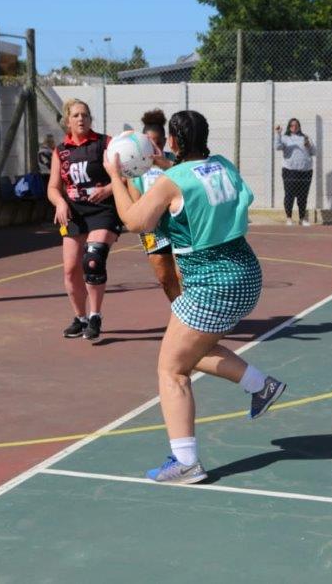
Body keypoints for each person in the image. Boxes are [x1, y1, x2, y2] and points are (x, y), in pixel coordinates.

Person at [104, 110, 287, 483]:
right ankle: (261, 386)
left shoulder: (171, 182)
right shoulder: (222, 165)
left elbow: (135, 221)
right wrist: (162, 160)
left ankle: (185, 462)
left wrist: (116, 177)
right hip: (246, 274)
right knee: (192, 350)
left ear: (173, 141)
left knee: (172, 369)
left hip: (211, 284)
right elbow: (194, 172)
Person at [47, 100, 120, 341]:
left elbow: (126, 175)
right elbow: (53, 188)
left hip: (102, 210)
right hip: (74, 213)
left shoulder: (104, 143)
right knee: (70, 270)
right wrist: (59, 202)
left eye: (86, 115)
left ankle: (95, 315)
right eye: (76, 115)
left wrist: (109, 189)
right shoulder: (61, 151)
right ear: (67, 121)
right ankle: (80, 318)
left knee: (93, 259)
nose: (81, 119)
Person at [128, 109, 181, 302]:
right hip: (153, 230)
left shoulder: (175, 161)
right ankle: (178, 310)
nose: (154, 148)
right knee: (164, 278)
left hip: (177, 225)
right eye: (150, 143)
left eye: (158, 143)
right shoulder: (136, 166)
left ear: (165, 141)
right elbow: (136, 202)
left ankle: (192, 316)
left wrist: (166, 164)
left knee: (182, 273)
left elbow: (189, 182)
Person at [274, 118, 315, 226]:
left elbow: (314, 152)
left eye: (296, 125)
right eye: (292, 125)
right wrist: (278, 134)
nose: (294, 127)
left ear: (299, 126)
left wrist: (308, 145)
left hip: (305, 171)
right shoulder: (285, 138)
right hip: (290, 171)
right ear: (289, 127)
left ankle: (302, 219)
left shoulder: (305, 137)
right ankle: (289, 218)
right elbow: (277, 147)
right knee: (289, 195)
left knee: (303, 196)